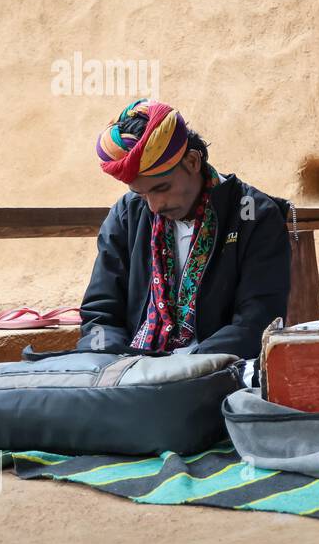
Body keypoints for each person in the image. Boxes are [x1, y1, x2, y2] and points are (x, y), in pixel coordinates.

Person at [80, 99, 291, 360]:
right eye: (141, 193)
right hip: (131, 373)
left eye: (162, 188)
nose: (154, 206)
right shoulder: (127, 213)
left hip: (216, 375)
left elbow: (256, 323)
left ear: (192, 161)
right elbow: (101, 314)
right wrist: (109, 361)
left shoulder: (254, 215)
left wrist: (181, 368)